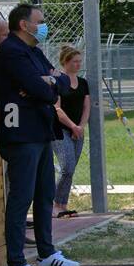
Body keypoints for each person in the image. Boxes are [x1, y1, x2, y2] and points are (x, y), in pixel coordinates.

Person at [0, 3, 80, 266]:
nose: (44, 25)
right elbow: (44, 89)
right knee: (21, 198)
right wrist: (47, 84)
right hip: (20, 136)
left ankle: (46, 254)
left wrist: (48, 83)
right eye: (39, 21)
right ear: (23, 25)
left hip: (41, 132)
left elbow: (63, 83)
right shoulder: (10, 53)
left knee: (44, 195)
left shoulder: (35, 52)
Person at [52, 45, 91, 217]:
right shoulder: (58, 82)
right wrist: (72, 126)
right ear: (65, 62)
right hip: (61, 130)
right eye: (74, 61)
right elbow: (57, 109)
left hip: (78, 131)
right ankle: (53, 203)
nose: (78, 64)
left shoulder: (83, 83)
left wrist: (80, 126)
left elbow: (86, 106)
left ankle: (63, 204)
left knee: (71, 170)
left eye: (79, 61)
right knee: (66, 167)